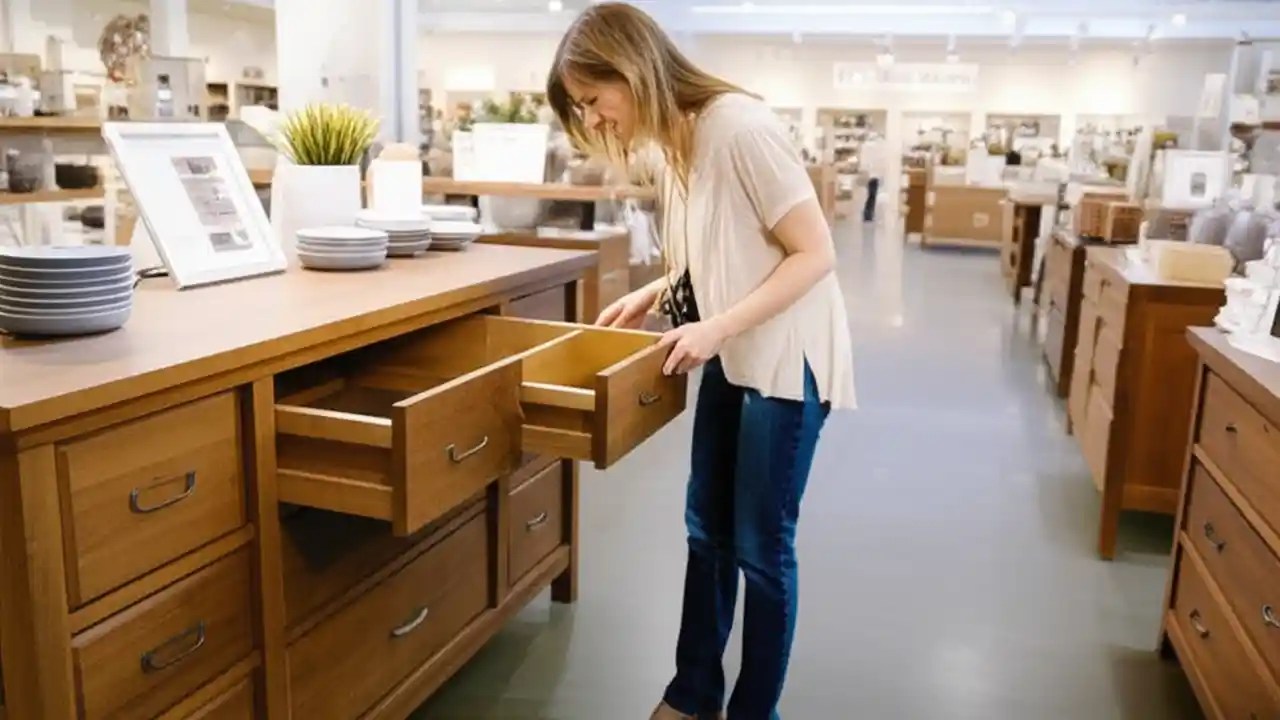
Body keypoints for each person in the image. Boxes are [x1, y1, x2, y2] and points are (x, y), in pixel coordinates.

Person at [546, 5, 856, 720]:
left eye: (595, 100)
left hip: (783, 362)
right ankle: (691, 694)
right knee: (704, 529)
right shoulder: (672, 141)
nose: (594, 121)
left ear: (632, 69)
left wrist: (714, 327)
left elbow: (814, 253)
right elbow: (719, 246)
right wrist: (655, 291)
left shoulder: (739, 130)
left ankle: (754, 711)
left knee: (760, 547)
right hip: (728, 348)